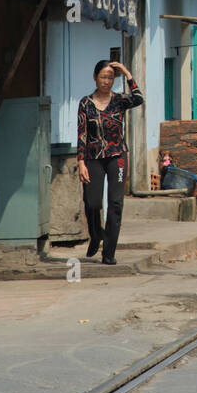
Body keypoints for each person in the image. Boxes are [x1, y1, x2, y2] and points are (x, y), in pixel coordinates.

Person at [77, 60, 143, 265]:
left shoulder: (120, 100)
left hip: (117, 157)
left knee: (115, 204)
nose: (106, 81)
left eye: (110, 77)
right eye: (103, 77)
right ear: (95, 77)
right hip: (93, 158)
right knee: (92, 202)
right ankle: (96, 234)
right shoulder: (85, 103)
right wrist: (81, 162)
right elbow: (81, 134)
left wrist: (126, 72)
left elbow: (139, 98)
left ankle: (109, 252)